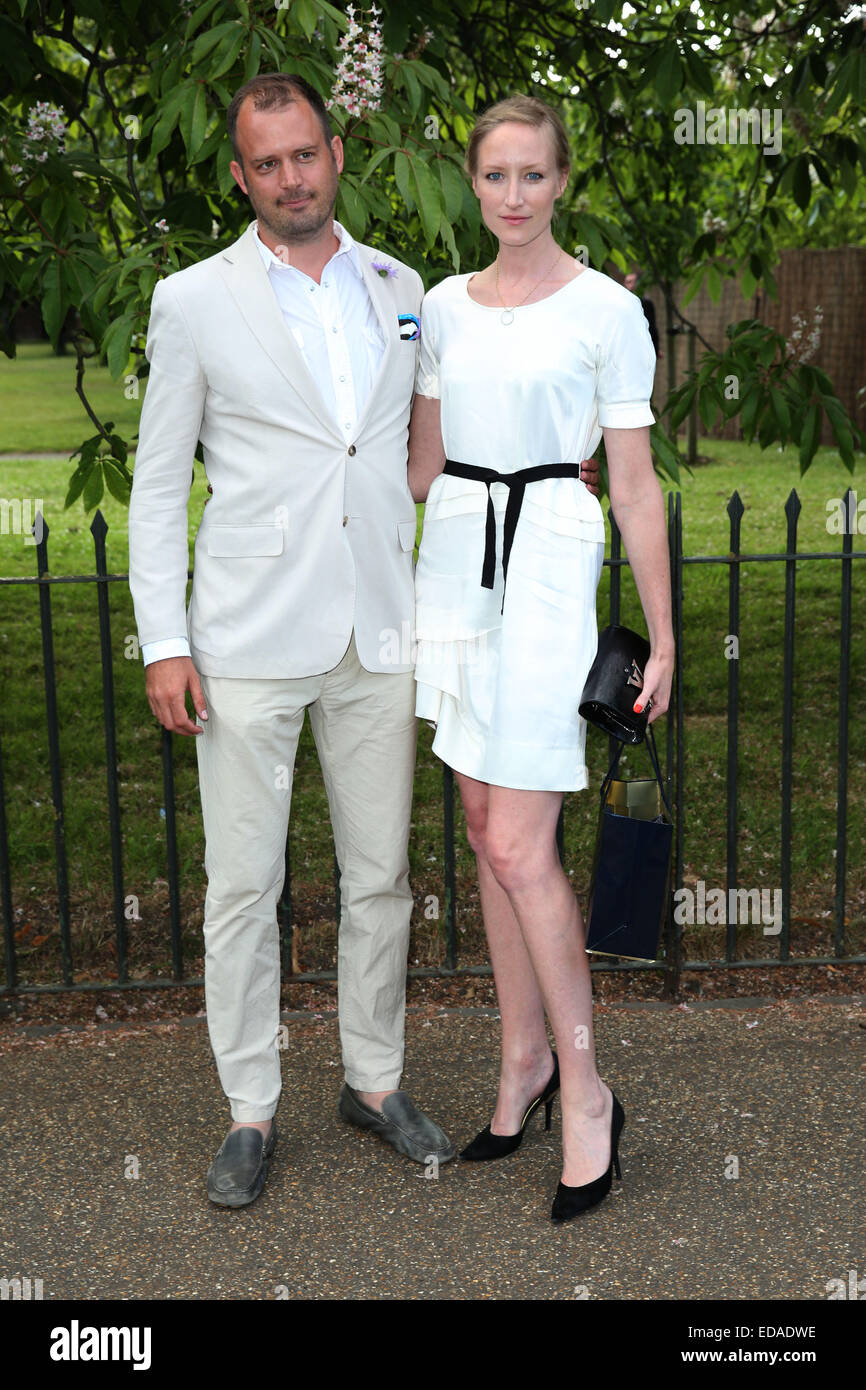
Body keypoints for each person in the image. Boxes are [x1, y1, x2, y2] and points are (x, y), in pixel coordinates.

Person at [127, 73, 472, 1207]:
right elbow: (154, 483)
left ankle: (373, 1084)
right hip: (246, 639)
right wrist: (162, 642)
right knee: (243, 884)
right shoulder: (191, 299)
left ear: (334, 154)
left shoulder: (398, 283)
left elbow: (415, 451)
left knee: (380, 877)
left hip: (378, 630)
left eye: (304, 155)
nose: (289, 178)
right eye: (265, 163)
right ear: (240, 175)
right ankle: (250, 1107)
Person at [407, 94, 674, 1224]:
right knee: (479, 821)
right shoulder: (439, 307)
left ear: (560, 181)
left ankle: (588, 1092)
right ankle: (520, 1061)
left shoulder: (607, 310)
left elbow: (634, 484)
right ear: (471, 184)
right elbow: (421, 465)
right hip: (457, 557)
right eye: (493, 176)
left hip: (552, 567)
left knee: (522, 842)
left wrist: (662, 634)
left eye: (532, 175)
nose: (512, 195)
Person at [624, 267, 661, 358]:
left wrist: (655, 349)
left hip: (641, 350)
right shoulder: (621, 302)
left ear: (637, 284)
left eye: (630, 282)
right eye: (626, 282)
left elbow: (651, 327)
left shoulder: (645, 304)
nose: (626, 285)